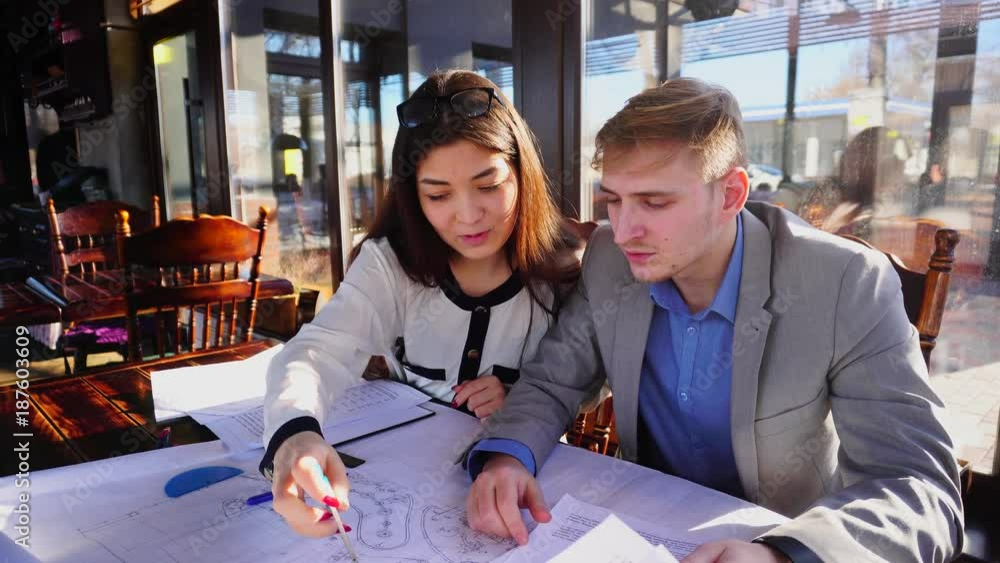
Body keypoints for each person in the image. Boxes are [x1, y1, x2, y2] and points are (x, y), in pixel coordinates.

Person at [464, 78, 963, 562]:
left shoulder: (845, 282)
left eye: (655, 202)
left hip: (779, 532)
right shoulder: (609, 260)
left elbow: (918, 486)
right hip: (639, 531)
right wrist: (508, 457)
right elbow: (553, 380)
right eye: (614, 199)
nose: (623, 231)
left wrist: (781, 555)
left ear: (730, 195)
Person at [259, 70, 581, 538]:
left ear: (521, 174)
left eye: (488, 185)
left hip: (535, 488)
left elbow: (593, 373)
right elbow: (317, 352)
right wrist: (295, 433)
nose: (468, 215)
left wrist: (525, 400)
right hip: (404, 490)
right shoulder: (391, 264)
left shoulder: (562, 269)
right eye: (438, 194)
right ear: (413, 197)